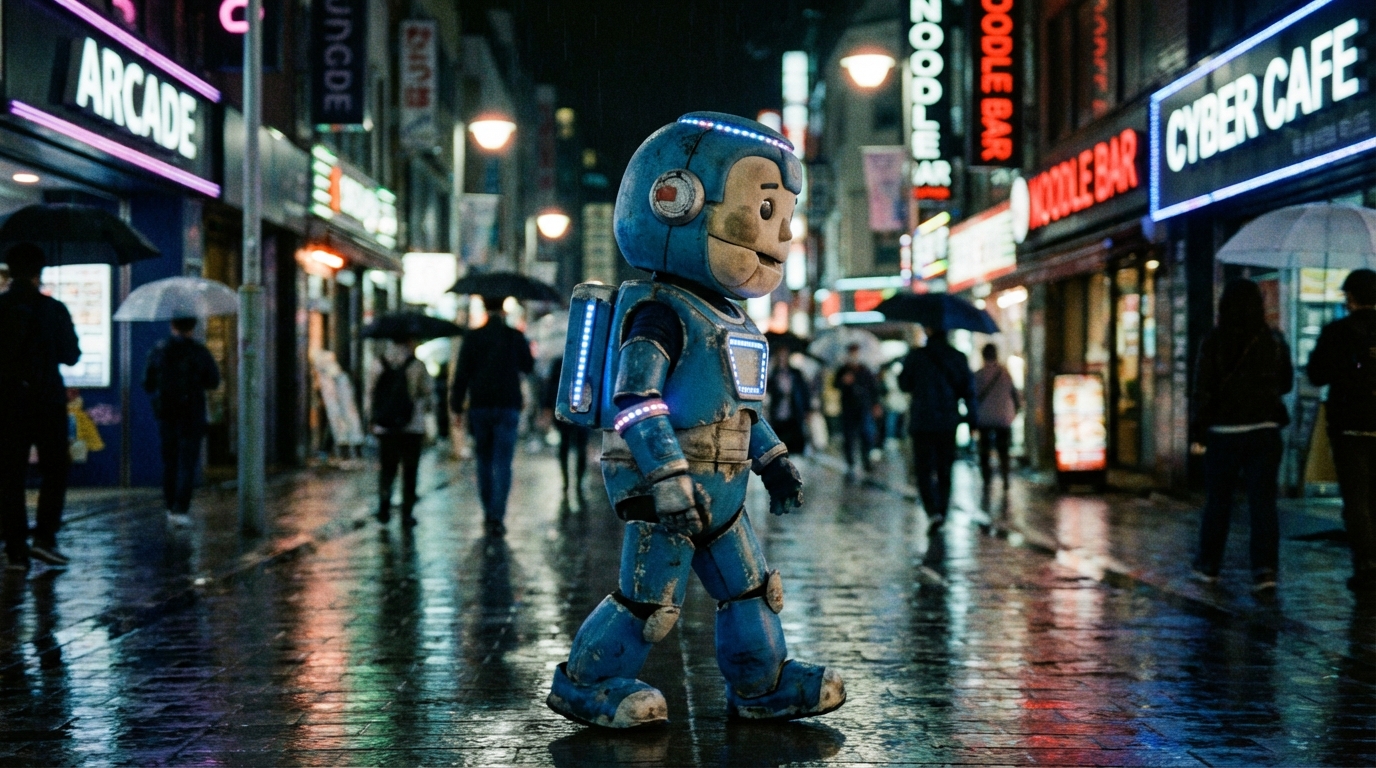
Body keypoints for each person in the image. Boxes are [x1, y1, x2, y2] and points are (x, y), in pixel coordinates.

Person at [1189, 278, 1292, 592]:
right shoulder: (1273, 340)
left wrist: (1198, 431)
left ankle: (1209, 566)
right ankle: (1265, 571)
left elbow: (1202, 390)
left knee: (1219, 501)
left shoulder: (1213, 341)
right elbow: (1285, 383)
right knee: (1263, 504)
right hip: (1264, 431)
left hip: (1223, 432)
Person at [0, 243, 80, 570]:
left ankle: (15, 548)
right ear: (38, 272)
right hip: (47, 400)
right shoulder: (53, 309)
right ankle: (45, 539)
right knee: (54, 470)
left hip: (7, 403)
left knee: (9, 474)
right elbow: (71, 355)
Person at [1306, 268, 1376, 595]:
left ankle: (1366, 565)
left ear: (1350, 297)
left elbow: (1317, 375)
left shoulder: (1337, 331)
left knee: (1356, 499)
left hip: (1348, 427)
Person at [450, 296, 534, 536]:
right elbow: (528, 366)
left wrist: (456, 407)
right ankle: (498, 515)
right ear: (504, 309)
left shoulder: (473, 337)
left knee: (484, 460)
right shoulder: (514, 336)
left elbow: (461, 374)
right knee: (503, 462)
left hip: (480, 405)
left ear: (485, 309)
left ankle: (488, 513)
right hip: (508, 405)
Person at [143, 317, 220, 522]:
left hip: (167, 414)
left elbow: (147, 383)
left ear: (172, 326)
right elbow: (213, 381)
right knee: (187, 462)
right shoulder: (199, 351)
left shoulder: (159, 350)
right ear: (193, 327)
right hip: (192, 414)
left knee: (170, 461)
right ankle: (180, 509)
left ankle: (169, 506)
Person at [898, 326, 976, 526]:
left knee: (923, 469)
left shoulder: (916, 356)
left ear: (928, 331)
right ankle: (942, 508)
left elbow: (904, 384)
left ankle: (932, 511)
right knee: (945, 468)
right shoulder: (958, 357)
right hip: (948, 421)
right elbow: (968, 390)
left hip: (922, 421)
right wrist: (973, 420)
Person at [367, 337, 434, 526]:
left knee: (387, 468)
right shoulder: (417, 365)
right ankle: (407, 512)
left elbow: (370, 393)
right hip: (412, 426)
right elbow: (427, 394)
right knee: (410, 470)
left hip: (385, 426)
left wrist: (371, 420)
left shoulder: (378, 363)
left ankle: (384, 507)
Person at [974, 343, 1020, 492]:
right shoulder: (1005, 373)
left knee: (985, 450)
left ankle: (986, 479)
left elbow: (973, 396)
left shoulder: (978, 375)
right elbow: (1014, 395)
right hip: (1003, 418)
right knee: (1003, 449)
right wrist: (1015, 411)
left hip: (984, 418)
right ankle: (1005, 478)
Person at [543, 356, 589, 499]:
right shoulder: (588, 359)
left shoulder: (560, 361)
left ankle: (566, 481)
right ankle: (578, 482)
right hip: (582, 408)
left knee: (565, 445)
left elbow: (551, 386)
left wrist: (547, 406)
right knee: (580, 446)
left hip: (564, 407)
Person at [833, 344, 880, 477]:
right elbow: (835, 385)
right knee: (849, 437)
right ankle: (850, 463)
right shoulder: (843, 370)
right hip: (848, 409)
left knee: (866, 435)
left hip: (863, 407)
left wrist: (875, 404)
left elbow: (873, 388)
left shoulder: (865, 370)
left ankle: (866, 461)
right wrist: (843, 381)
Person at [767, 350, 811, 455]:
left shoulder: (795, 373)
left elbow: (804, 391)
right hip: (779, 413)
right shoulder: (774, 374)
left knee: (795, 440)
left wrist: (807, 409)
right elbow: (769, 390)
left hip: (794, 412)